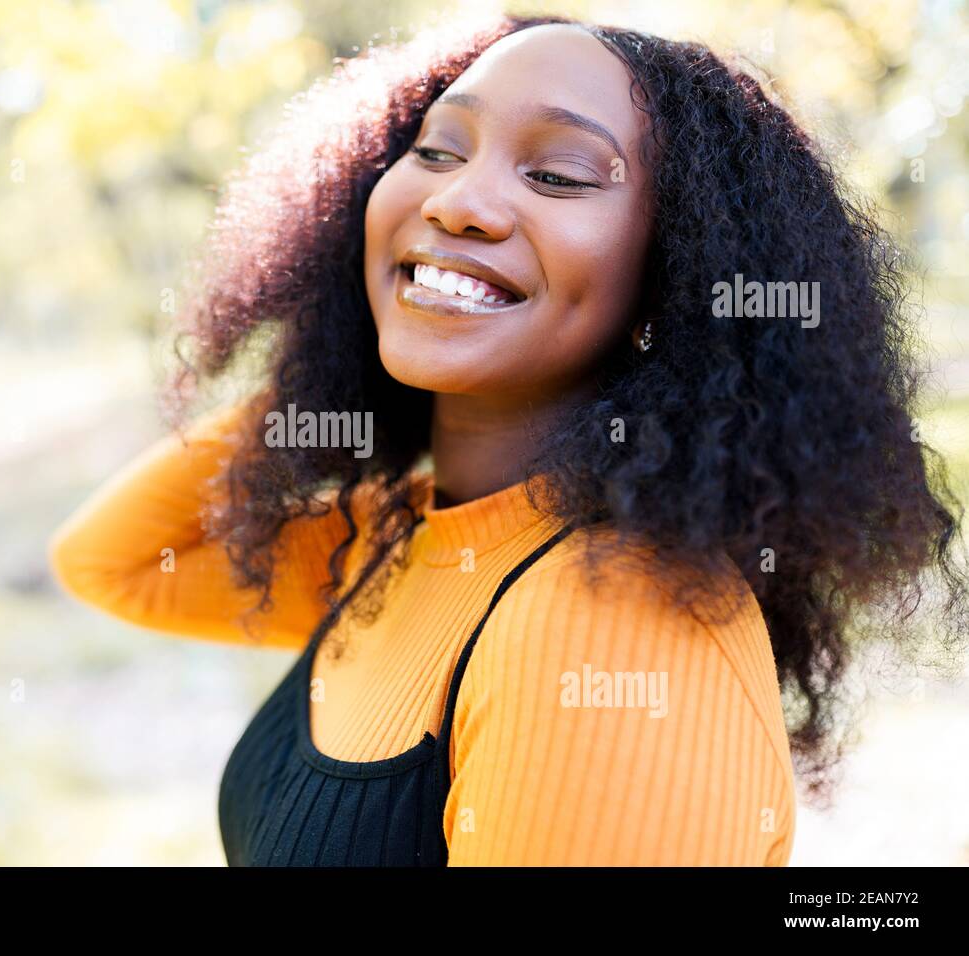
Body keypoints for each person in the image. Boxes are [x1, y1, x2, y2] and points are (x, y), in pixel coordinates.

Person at [50, 14, 967, 866]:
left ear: (673, 281)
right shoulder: (406, 536)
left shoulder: (614, 624)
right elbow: (116, 559)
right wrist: (346, 359)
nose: (458, 201)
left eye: (560, 174)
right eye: (436, 149)